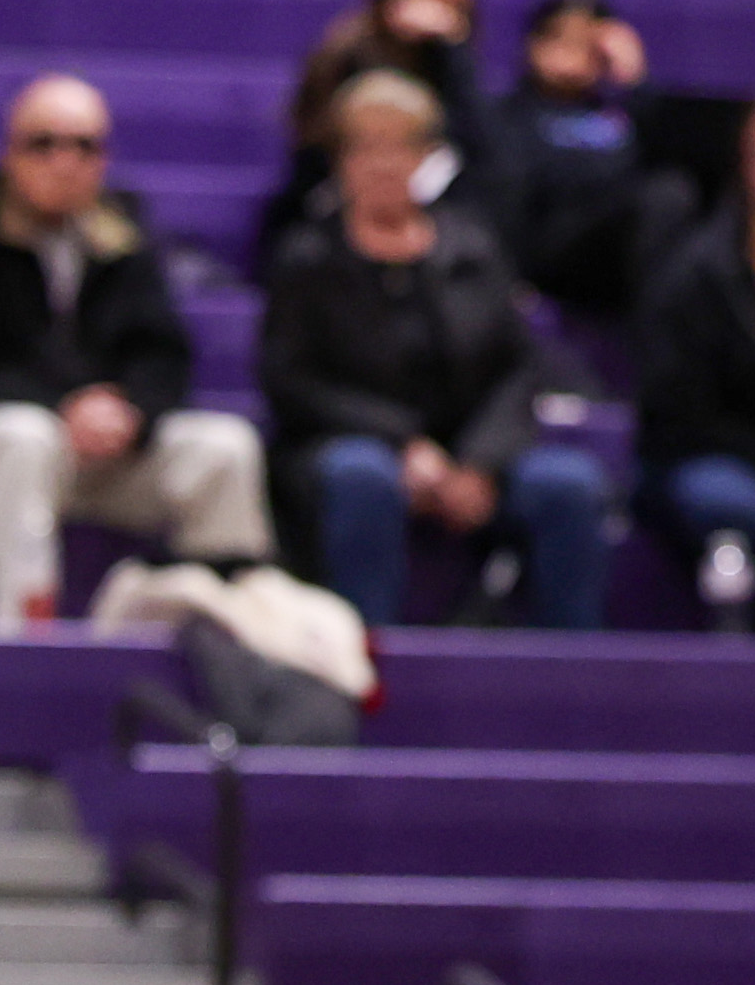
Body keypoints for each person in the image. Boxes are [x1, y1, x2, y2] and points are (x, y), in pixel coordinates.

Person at [0, 75, 274, 632]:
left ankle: (225, 631)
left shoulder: (125, 244)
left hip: (97, 452)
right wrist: (63, 406)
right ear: (8, 153)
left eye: (84, 146)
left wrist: (131, 410)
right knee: (25, 436)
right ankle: (24, 632)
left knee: (225, 448)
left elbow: (164, 355)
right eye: (44, 144)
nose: (65, 162)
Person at [261, 72, 610, 630]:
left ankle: (570, 665)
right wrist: (403, 444)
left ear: (426, 157)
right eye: (365, 147)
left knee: (568, 485)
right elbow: (293, 383)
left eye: (398, 145)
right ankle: (366, 651)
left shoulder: (473, 249)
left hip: (470, 452)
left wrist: (478, 463)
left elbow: (519, 370)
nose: (382, 163)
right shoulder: (308, 259)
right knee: (363, 476)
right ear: (340, 160)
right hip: (351, 447)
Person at [635, 91, 755, 637]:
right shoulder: (699, 271)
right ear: (745, 164)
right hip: (709, 457)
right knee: (742, 507)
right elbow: (676, 415)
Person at [269, 0, 499, 255]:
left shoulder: (455, 53)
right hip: (345, 236)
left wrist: (454, 54)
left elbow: (484, 157)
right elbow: (316, 159)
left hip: (438, 238)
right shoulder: (348, 51)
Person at [494, 0, 697, 320]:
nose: (570, 51)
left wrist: (636, 81)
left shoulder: (621, 116)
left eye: (585, 41)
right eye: (558, 37)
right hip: (552, 248)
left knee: (672, 193)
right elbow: (510, 185)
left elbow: (676, 163)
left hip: (618, 254)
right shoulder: (510, 114)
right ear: (533, 44)